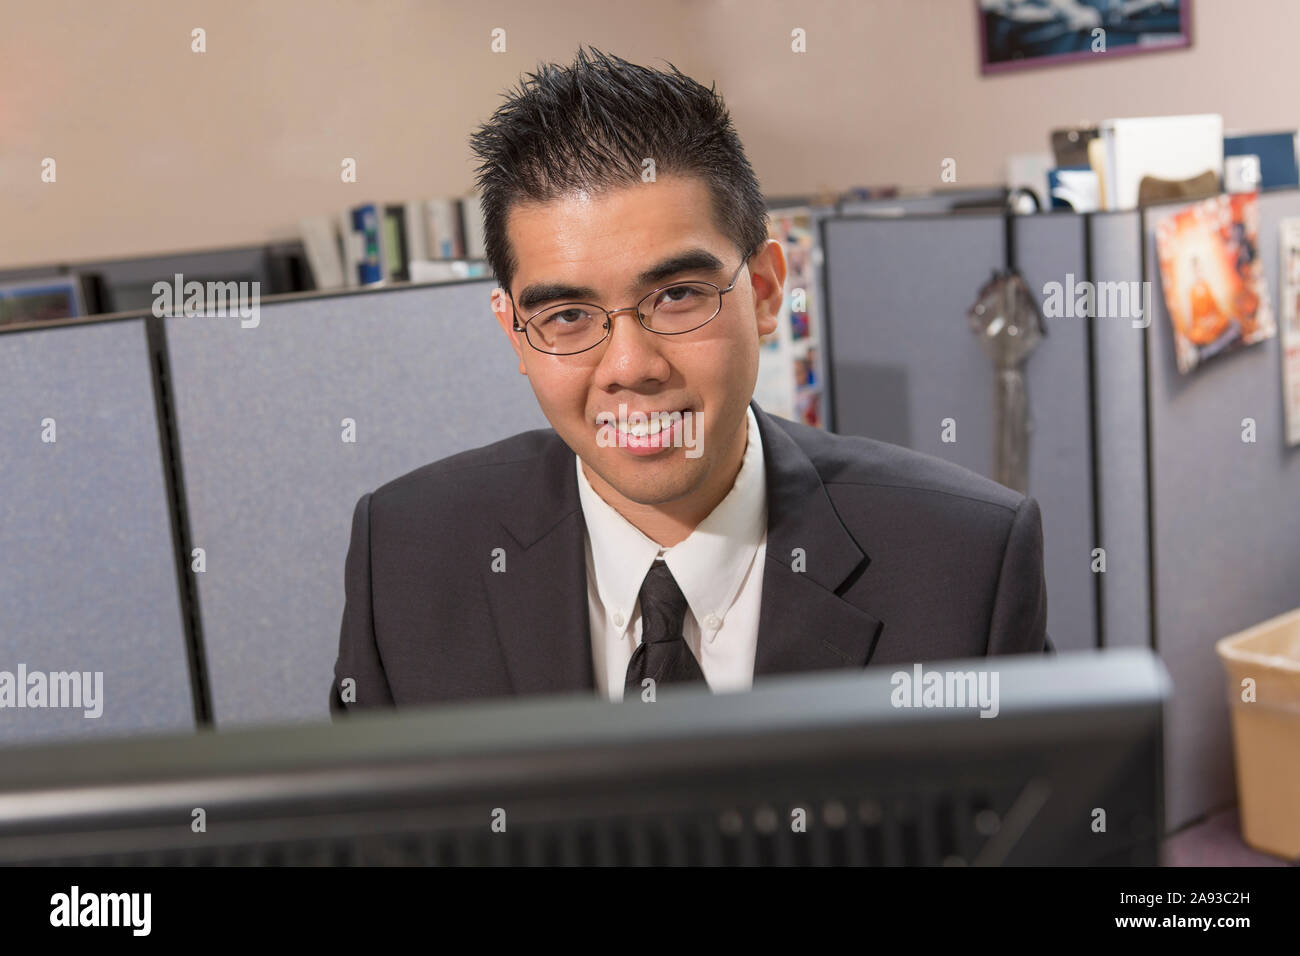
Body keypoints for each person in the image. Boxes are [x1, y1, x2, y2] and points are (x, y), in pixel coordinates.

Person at [330, 47, 1049, 713]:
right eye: (568, 315)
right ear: (513, 332)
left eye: (677, 297)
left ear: (766, 289)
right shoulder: (405, 556)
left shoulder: (963, 562)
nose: (630, 368)